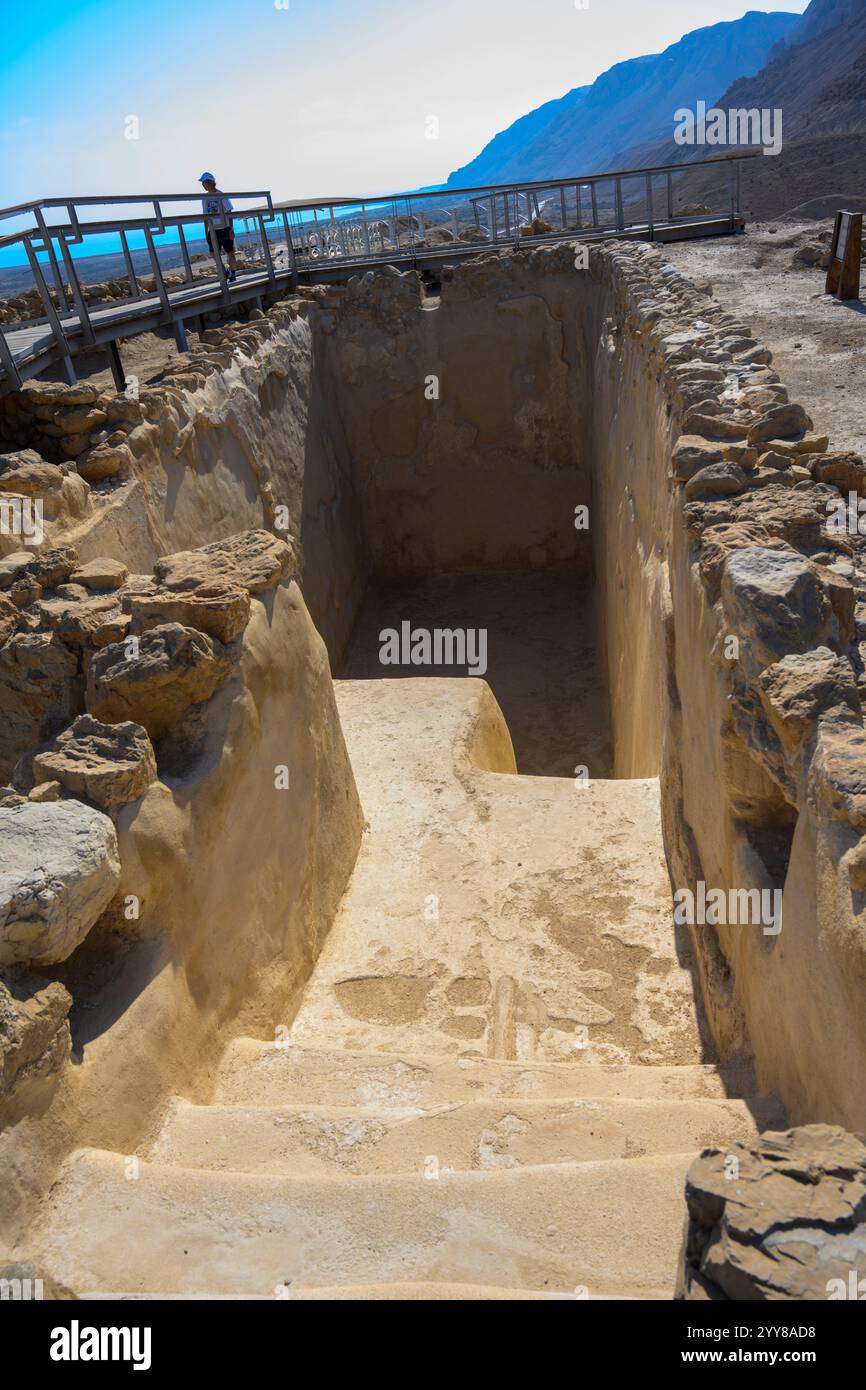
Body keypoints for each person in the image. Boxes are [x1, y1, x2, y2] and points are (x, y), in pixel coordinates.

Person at [199, 172, 238, 283]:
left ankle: (233, 274)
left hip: (225, 228)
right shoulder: (204, 198)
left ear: (209, 182)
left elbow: (229, 211)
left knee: (230, 252)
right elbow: (205, 216)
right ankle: (225, 269)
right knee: (213, 253)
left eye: (203, 182)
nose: (202, 185)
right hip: (212, 230)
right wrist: (205, 231)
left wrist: (231, 229)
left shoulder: (221, 195)